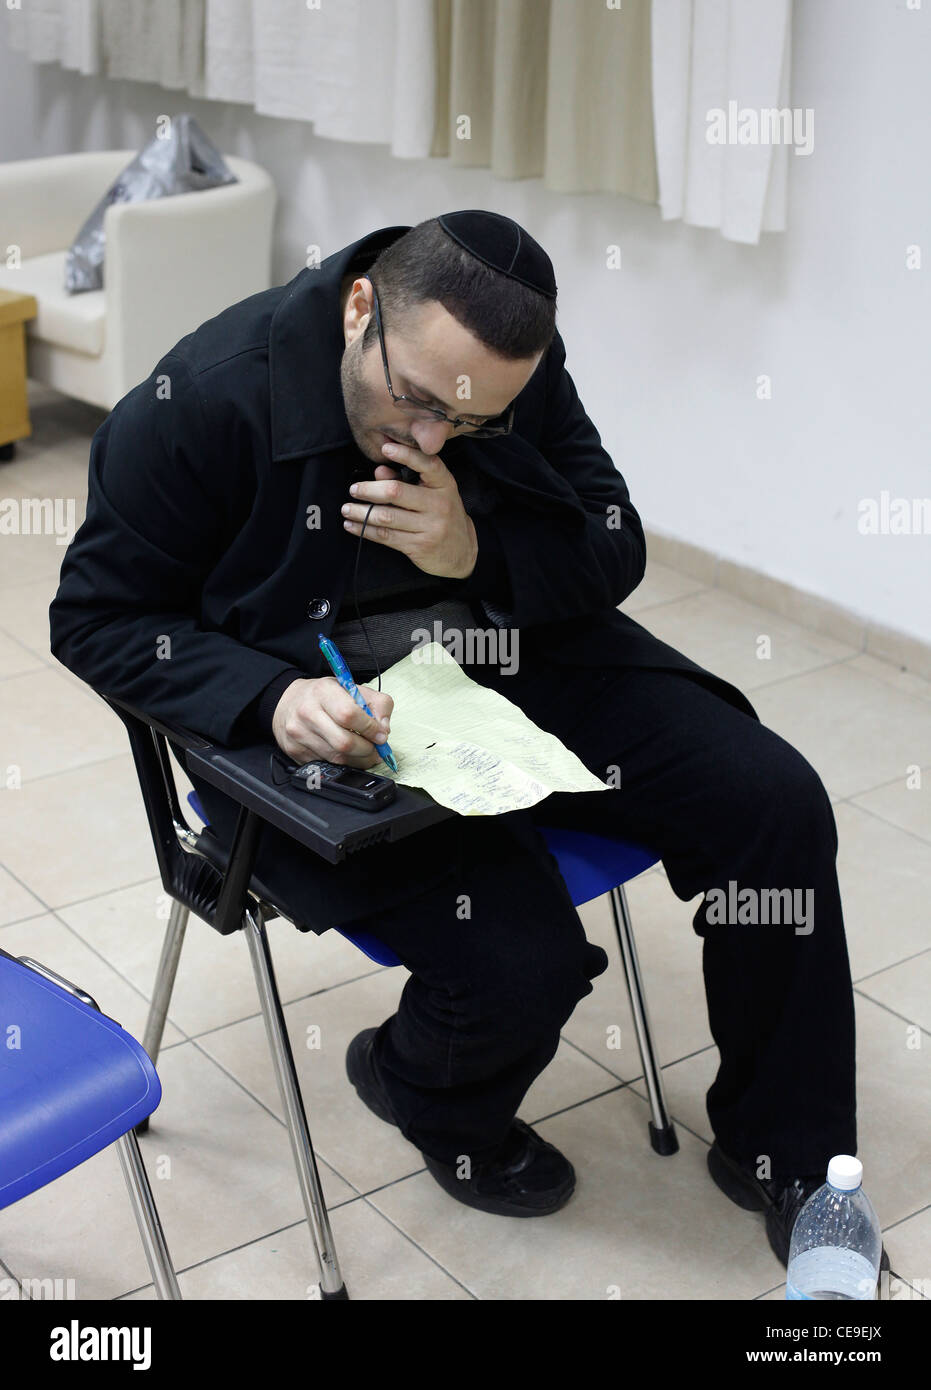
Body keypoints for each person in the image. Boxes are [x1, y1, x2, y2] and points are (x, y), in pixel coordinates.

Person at [49, 210, 871, 1271]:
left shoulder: (502, 371)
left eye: (471, 421)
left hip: (516, 664)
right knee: (521, 965)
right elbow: (97, 619)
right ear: (360, 310)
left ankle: (787, 1154)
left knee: (775, 805)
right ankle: (417, 1086)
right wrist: (267, 698)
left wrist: (474, 549)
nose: (434, 438)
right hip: (337, 723)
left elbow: (611, 542)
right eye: (419, 402)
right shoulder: (201, 402)